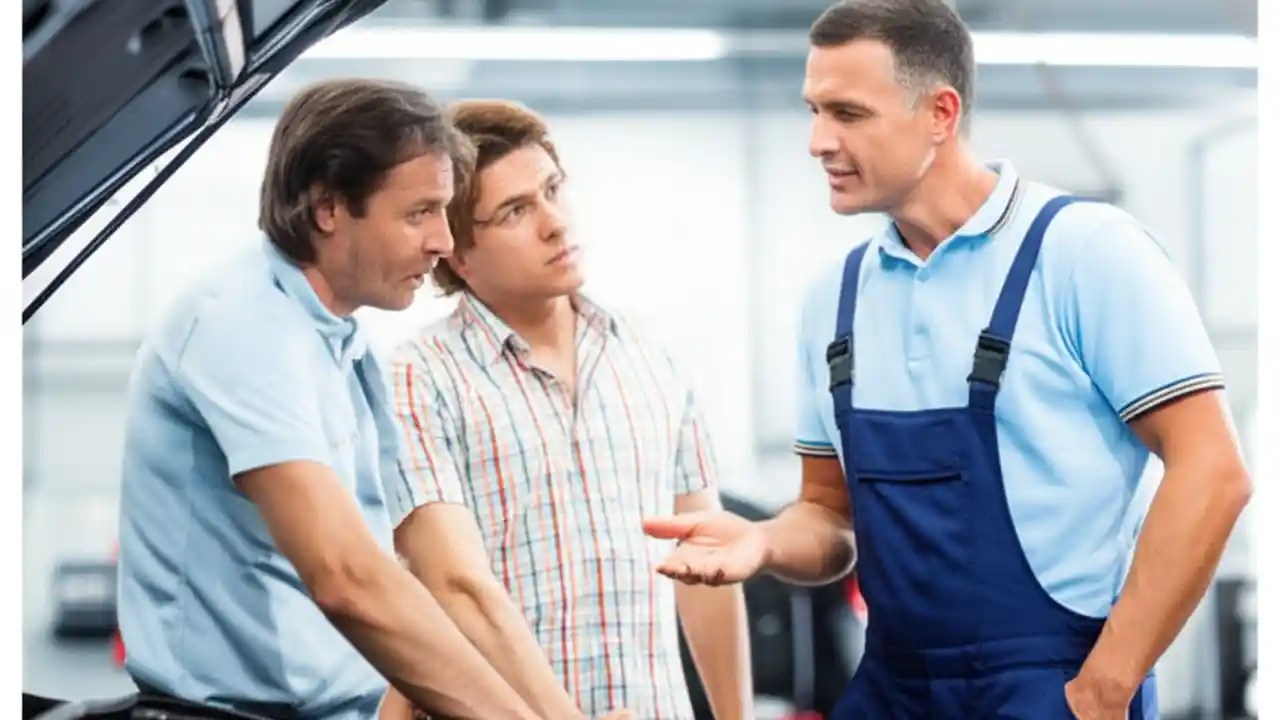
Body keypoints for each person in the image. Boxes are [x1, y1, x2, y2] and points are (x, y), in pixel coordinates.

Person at [643, 1, 1253, 719]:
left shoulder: (1085, 254)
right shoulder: (834, 300)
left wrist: (1108, 683)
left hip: (1052, 688)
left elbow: (1213, 471)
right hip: (892, 687)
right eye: (814, 111)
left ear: (940, 113)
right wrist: (764, 542)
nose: (817, 141)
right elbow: (829, 517)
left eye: (848, 113)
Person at [116, 78, 562, 720]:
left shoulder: (346, 346)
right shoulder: (240, 325)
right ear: (327, 207)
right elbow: (348, 579)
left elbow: (401, 570)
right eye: (419, 213)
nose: (443, 241)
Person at [380, 99, 753, 720]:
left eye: (553, 190)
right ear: (457, 253)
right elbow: (454, 590)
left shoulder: (652, 355)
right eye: (515, 211)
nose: (555, 223)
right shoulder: (420, 379)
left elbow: (703, 564)